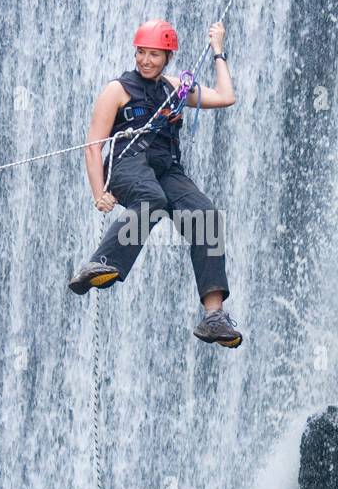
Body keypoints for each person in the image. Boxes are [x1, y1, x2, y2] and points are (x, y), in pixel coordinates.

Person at [68, 18, 243, 348]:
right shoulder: (117, 90)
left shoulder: (174, 89)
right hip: (127, 166)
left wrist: (218, 50)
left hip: (166, 168)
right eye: (141, 53)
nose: (146, 60)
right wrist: (99, 192)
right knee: (152, 199)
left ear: (168, 57)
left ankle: (214, 316)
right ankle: (100, 264)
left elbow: (225, 96)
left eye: (155, 55)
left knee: (205, 215)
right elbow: (93, 146)